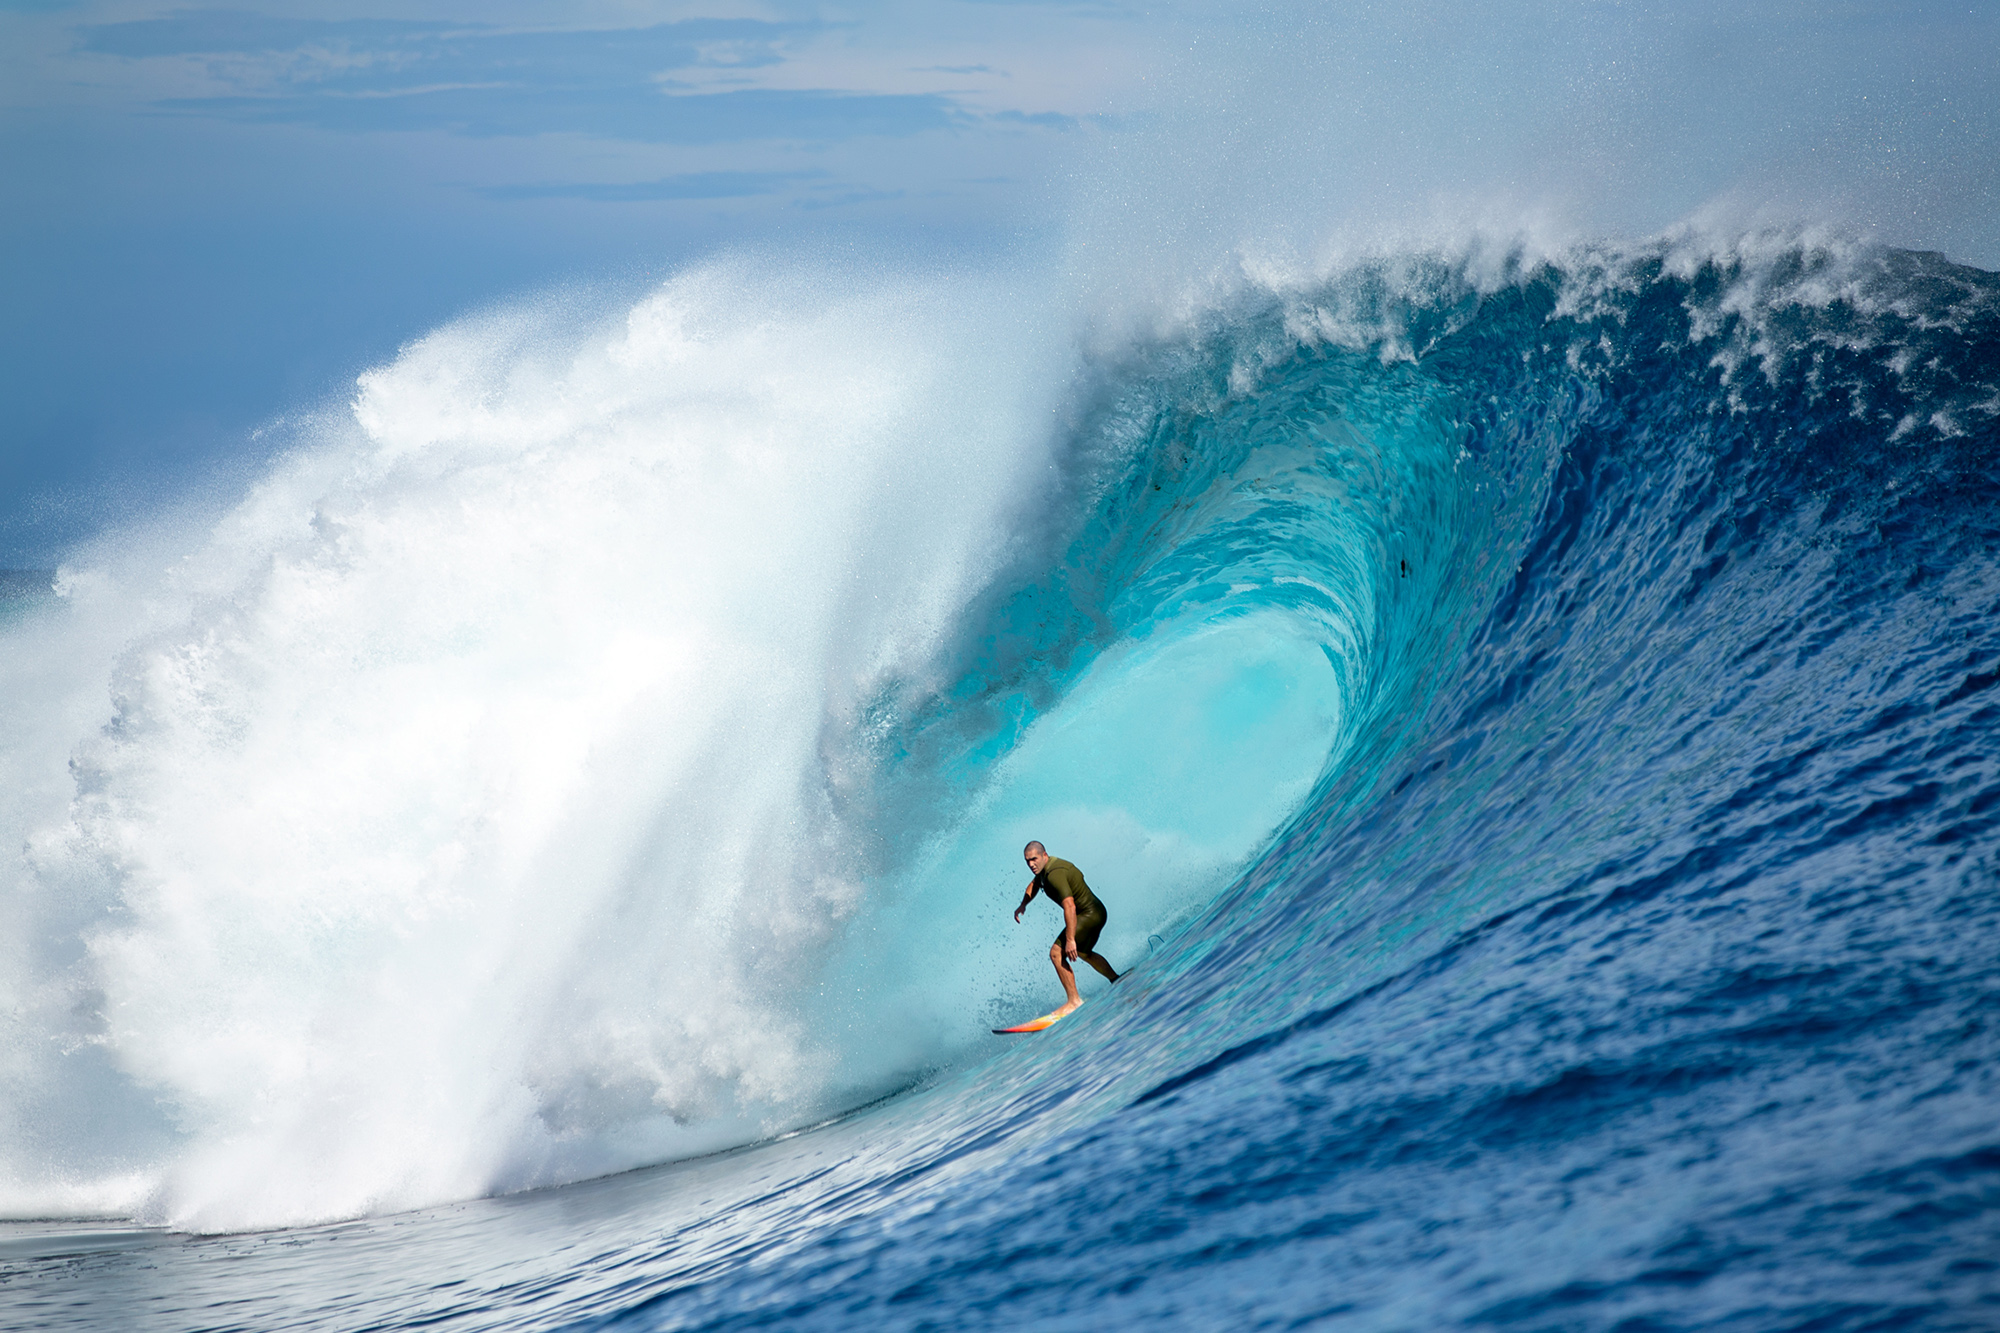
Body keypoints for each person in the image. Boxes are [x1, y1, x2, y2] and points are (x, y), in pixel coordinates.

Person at [1013, 841, 1120, 1017]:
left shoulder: (1055, 874)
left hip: (1088, 914)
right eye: (1027, 861)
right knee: (1085, 953)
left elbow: (1069, 906)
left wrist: (1070, 940)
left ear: (1044, 855)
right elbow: (1033, 885)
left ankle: (1074, 1001)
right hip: (1095, 912)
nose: (1031, 864)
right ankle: (1116, 979)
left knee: (1056, 953)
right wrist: (1023, 904)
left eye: (1034, 859)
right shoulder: (1043, 870)